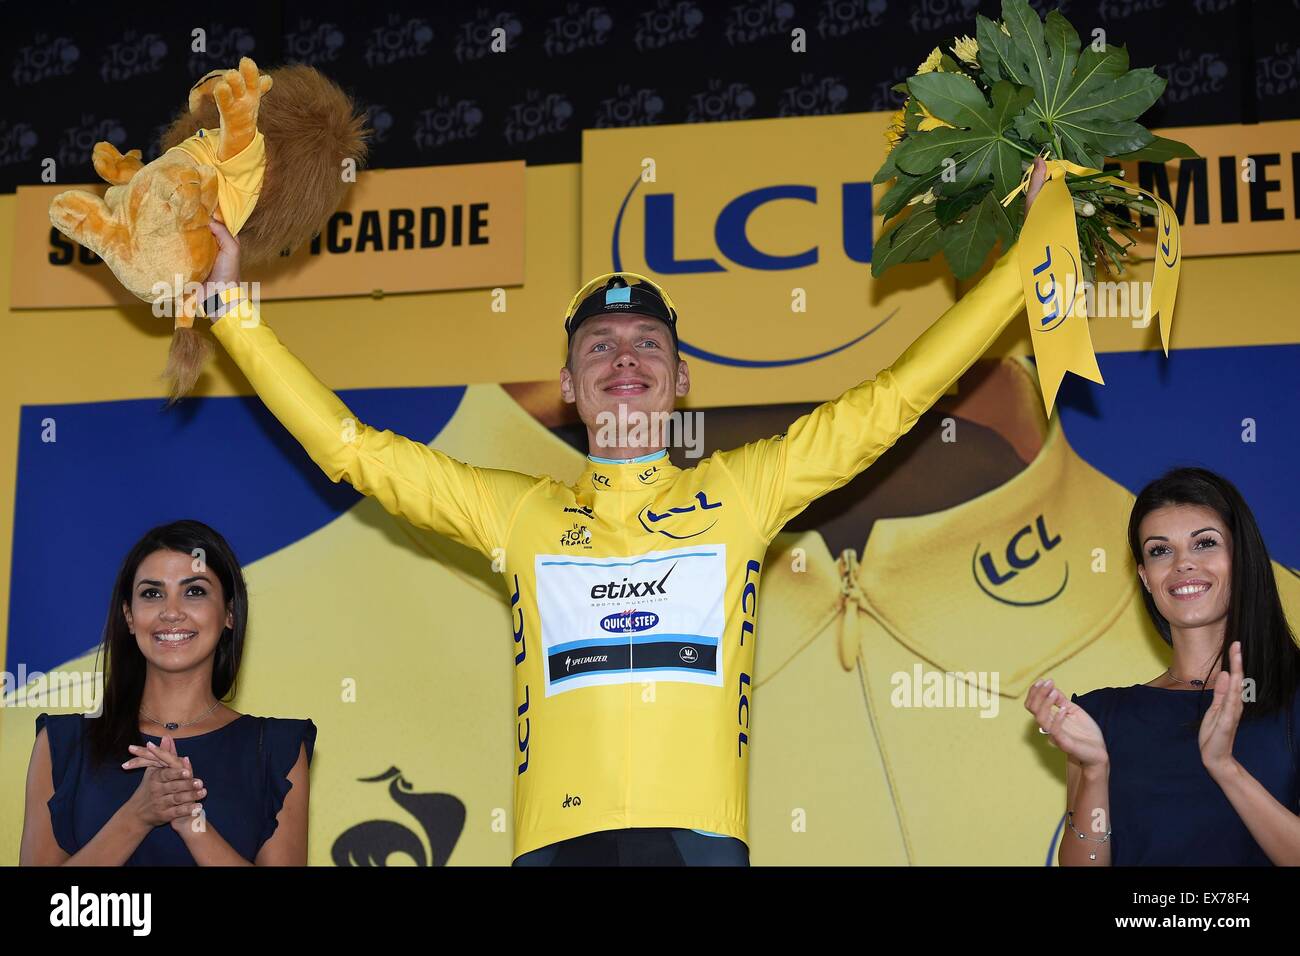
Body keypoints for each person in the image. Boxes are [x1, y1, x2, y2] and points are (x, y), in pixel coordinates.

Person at [185, 161, 1048, 866]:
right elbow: (353, 451)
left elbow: (897, 399)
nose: (623, 358)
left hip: (700, 841)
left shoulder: (744, 493)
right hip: (557, 845)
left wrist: (1018, 270)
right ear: (568, 388)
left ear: (680, 383)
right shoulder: (517, 513)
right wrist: (232, 315)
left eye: (648, 346)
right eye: (598, 346)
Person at [1026, 467, 1300, 865]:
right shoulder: (1100, 717)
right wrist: (1094, 774)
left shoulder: (1293, 696)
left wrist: (1225, 768)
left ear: (1241, 557)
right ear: (1145, 577)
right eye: (1159, 550)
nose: (1182, 564)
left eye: (1204, 543)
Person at [19, 520, 316, 865]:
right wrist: (137, 815)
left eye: (194, 591)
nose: (171, 612)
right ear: (129, 617)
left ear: (230, 614)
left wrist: (192, 822)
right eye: (152, 593)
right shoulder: (62, 744)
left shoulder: (276, 749)